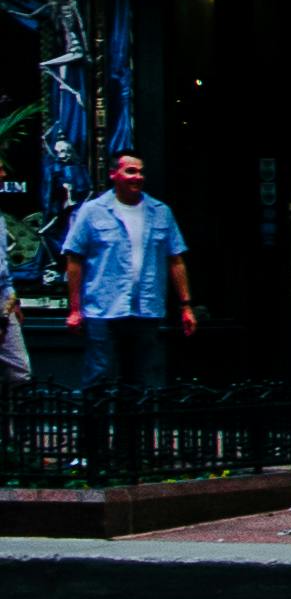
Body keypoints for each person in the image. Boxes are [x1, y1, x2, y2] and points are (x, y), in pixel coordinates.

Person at [58, 149, 189, 449]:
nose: (138, 177)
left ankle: (130, 451)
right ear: (114, 175)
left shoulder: (160, 212)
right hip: (103, 309)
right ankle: (93, 451)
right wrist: (75, 309)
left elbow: (176, 260)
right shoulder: (93, 211)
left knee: (137, 381)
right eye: (130, 171)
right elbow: (74, 260)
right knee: (99, 379)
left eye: (140, 171)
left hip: (145, 310)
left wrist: (185, 305)